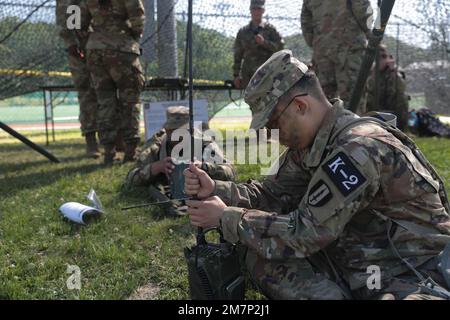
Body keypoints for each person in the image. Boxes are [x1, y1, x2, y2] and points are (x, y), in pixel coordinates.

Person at [183, 50, 450, 300]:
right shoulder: (311, 143)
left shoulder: (358, 149)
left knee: (258, 241)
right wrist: (217, 190)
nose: (269, 135)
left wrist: (226, 217)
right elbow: (273, 193)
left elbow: (304, 232)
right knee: (258, 252)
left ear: (300, 106)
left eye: (273, 124)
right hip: (355, 255)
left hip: (406, 269)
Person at [125, 106, 236, 217]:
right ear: (167, 130)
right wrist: (156, 167)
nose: (175, 136)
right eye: (171, 130)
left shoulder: (204, 143)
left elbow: (229, 171)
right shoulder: (158, 146)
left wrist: (205, 167)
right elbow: (131, 178)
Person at [81, 0, 145, 165]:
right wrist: (133, 38)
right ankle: (130, 150)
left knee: (104, 101)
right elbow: (138, 18)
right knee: (130, 98)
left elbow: (78, 21)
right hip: (122, 47)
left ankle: (109, 152)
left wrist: (88, 41)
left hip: (94, 50)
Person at [301, 0, 372, 114]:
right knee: (353, 98)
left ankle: (326, 131)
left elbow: (306, 21)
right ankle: (352, 130)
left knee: (323, 98)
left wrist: (317, 43)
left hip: (323, 51)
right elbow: (362, 10)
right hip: (349, 50)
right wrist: (371, 34)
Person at [56, 0, 101, 158]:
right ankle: (91, 140)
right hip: (82, 47)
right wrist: (72, 43)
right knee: (87, 92)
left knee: (107, 90)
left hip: (104, 44)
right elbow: (69, 17)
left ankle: (114, 139)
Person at [233, 0, 284, 90]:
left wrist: (264, 43)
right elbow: (237, 55)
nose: (256, 12)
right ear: (250, 10)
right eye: (254, 9)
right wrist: (236, 75)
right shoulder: (243, 32)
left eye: (259, 9)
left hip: (268, 75)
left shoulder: (270, 30)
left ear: (263, 11)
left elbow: (281, 48)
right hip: (248, 77)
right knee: (251, 102)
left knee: (269, 103)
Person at [366, 45, 410, 131]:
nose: (383, 59)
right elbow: (369, 88)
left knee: (403, 98)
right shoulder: (371, 71)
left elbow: (401, 88)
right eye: (380, 57)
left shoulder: (395, 70)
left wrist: (393, 71)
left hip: (391, 103)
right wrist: (375, 71)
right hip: (375, 102)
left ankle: (403, 128)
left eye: (385, 56)